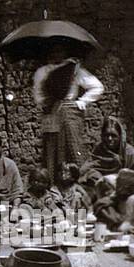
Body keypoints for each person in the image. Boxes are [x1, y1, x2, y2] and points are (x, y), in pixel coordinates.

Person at [32, 44, 105, 176]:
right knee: (52, 150)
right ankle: (54, 184)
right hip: (51, 114)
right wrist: (46, 102)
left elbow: (97, 87)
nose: (57, 54)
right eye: (53, 51)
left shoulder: (74, 70)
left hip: (69, 113)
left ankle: (79, 182)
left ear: (65, 52)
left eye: (60, 50)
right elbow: (37, 95)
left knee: (73, 146)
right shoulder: (42, 72)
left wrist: (81, 102)